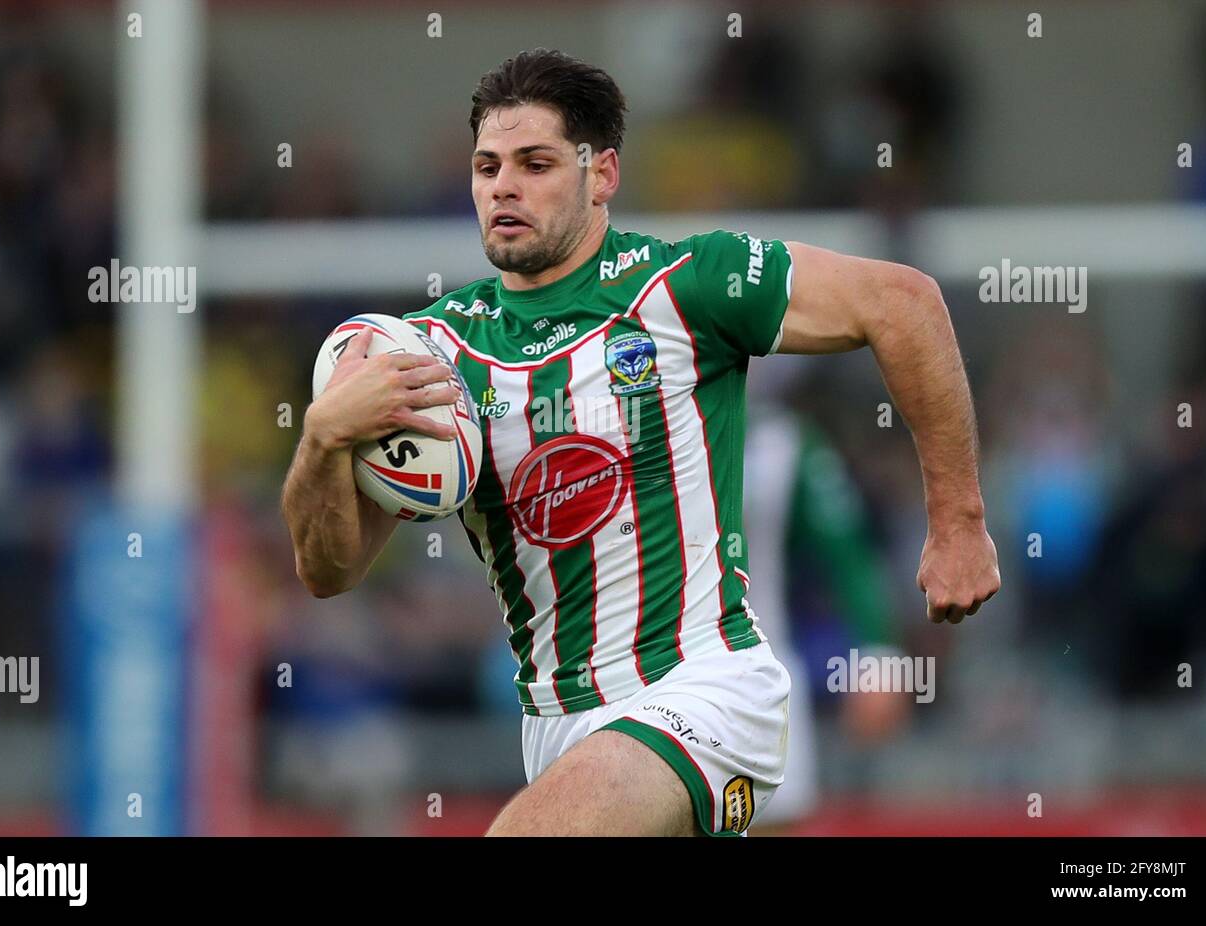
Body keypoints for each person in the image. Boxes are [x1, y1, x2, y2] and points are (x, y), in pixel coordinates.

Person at [280, 48, 1000, 836]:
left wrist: (958, 521)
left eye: (536, 163)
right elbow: (329, 570)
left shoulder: (686, 284)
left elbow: (903, 302)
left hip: (706, 692)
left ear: (602, 175)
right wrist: (320, 444)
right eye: (487, 166)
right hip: (557, 728)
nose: (503, 186)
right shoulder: (434, 359)